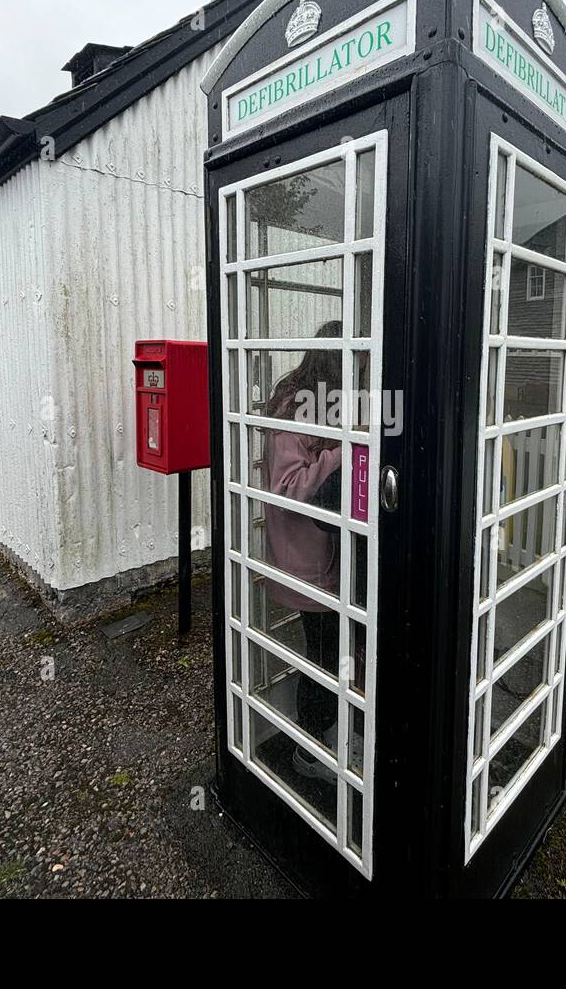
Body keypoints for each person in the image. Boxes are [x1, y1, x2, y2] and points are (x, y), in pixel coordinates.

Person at [261, 321, 342, 783]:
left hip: (319, 553)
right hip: (305, 562)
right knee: (325, 656)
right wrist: (347, 447)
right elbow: (288, 486)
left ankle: (328, 729)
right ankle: (309, 748)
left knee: (331, 650)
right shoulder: (296, 408)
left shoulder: (313, 401)